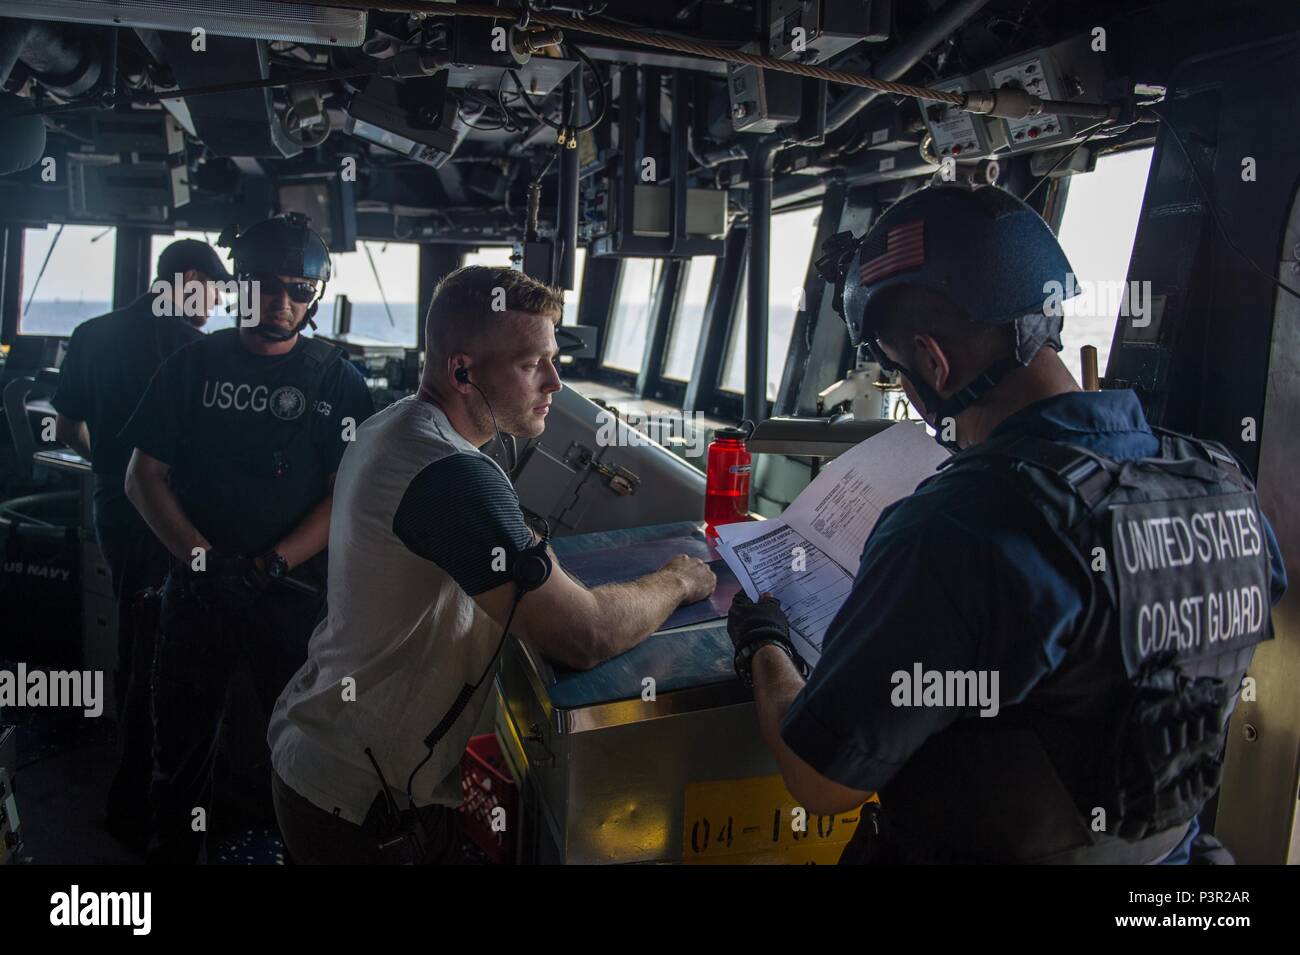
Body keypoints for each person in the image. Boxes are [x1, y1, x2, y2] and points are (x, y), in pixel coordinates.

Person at [727, 184, 1287, 865]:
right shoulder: (1220, 481)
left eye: (901, 371)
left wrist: (764, 642)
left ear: (934, 363)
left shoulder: (957, 526)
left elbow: (819, 780)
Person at [267, 265, 717, 864]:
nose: (556, 382)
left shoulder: (395, 426)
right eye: (533, 364)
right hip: (362, 799)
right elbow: (583, 636)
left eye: (553, 360)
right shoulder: (449, 473)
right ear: (462, 371)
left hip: (322, 754)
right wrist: (678, 579)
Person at [121, 213, 374, 863]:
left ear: (314, 294)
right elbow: (142, 477)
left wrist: (270, 563)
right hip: (198, 585)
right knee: (179, 744)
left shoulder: (336, 380)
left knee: (298, 747)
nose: (280, 302)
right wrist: (203, 558)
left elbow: (344, 491)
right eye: (265, 284)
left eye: (296, 288)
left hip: (285, 590)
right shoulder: (191, 365)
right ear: (241, 284)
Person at [50, 237, 230, 851]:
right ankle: (137, 808)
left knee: (137, 638)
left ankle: (136, 800)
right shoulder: (194, 353)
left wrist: (107, 466)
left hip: (112, 506)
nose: (216, 305)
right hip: (166, 513)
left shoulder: (91, 332)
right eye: (212, 291)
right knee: (155, 656)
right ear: (183, 279)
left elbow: (67, 423)